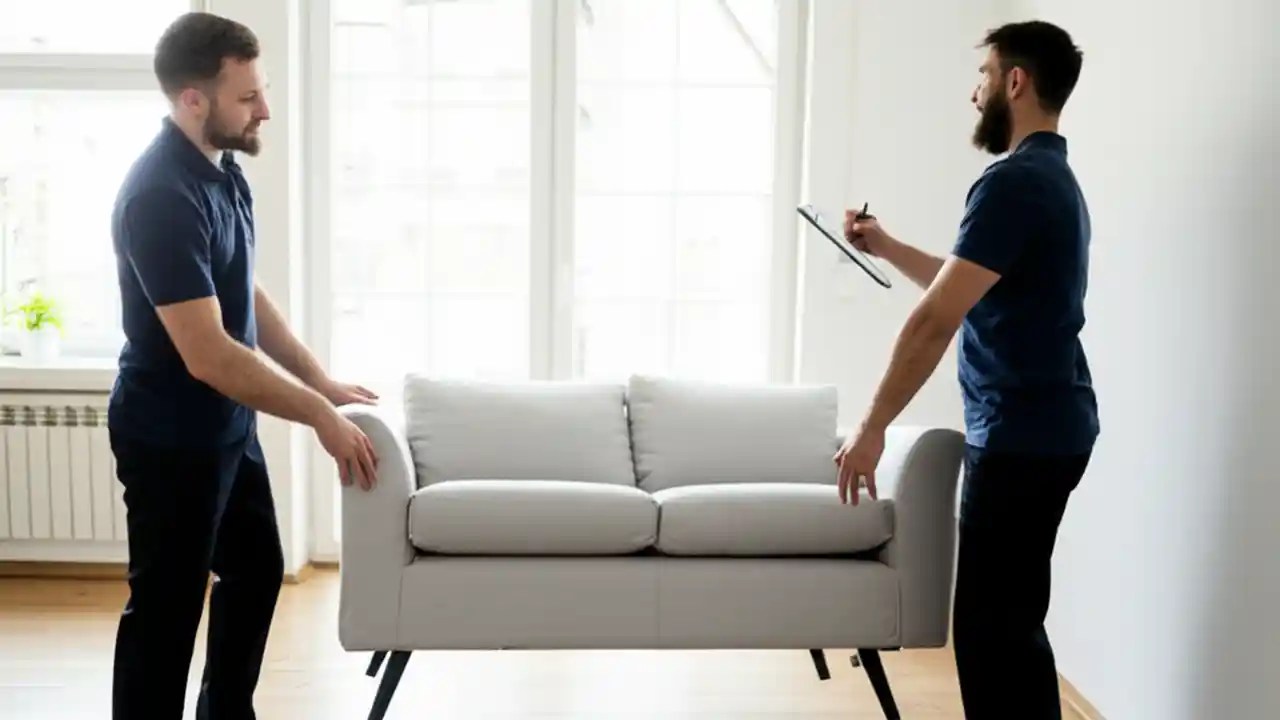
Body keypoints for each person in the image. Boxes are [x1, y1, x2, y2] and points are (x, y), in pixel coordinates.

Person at [108, 12, 380, 719]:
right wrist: (318, 415)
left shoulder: (222, 169)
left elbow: (242, 291)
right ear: (192, 99)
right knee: (167, 611)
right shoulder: (160, 195)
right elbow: (210, 353)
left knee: (256, 571)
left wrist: (318, 377)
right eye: (247, 96)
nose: (264, 108)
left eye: (262, 90)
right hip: (169, 434)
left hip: (226, 427)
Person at [832, 20, 1099, 718]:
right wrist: (886, 246)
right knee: (1010, 628)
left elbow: (934, 321)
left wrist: (870, 428)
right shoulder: (1051, 178)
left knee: (991, 634)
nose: (974, 92)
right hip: (1050, 429)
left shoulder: (1012, 183)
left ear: (1015, 81)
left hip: (1021, 437)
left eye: (982, 76)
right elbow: (966, 286)